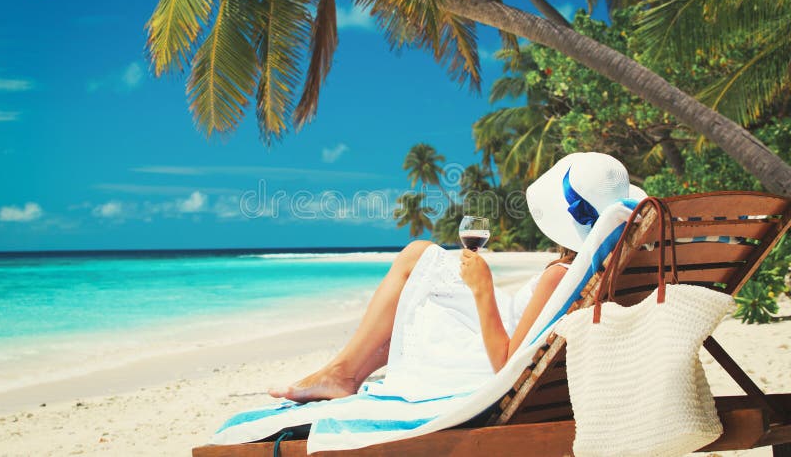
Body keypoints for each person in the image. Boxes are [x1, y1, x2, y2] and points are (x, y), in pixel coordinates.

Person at [269, 152, 645, 404]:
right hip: (514, 337)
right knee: (420, 267)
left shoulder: (561, 276)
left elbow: (506, 365)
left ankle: (341, 374)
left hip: (489, 357)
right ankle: (343, 374)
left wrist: (482, 288)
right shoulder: (613, 265)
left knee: (416, 257)